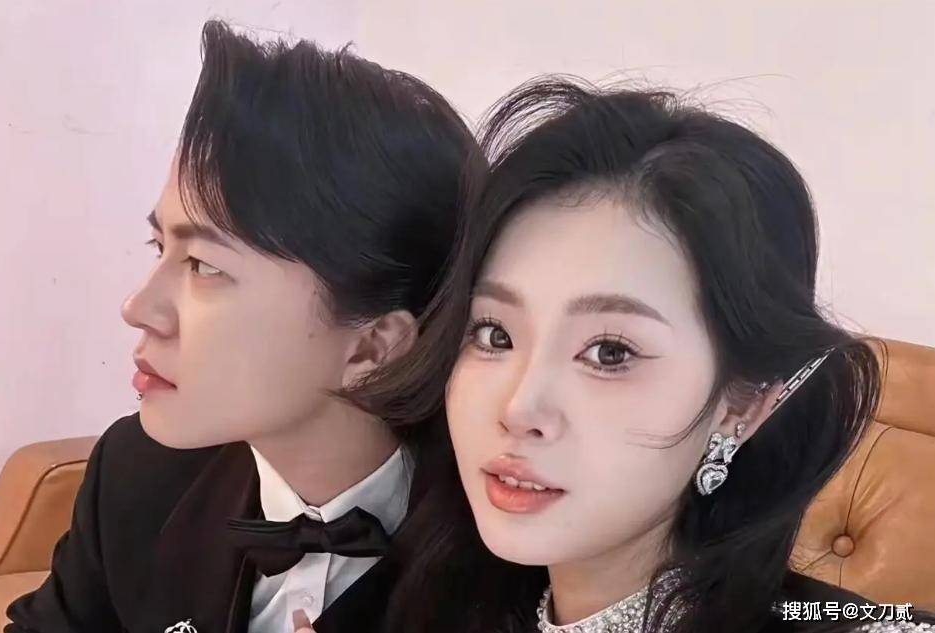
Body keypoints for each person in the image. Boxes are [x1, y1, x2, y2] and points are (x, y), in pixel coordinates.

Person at [345, 78, 935, 633]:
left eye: (609, 353)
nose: (518, 409)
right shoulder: (425, 596)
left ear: (744, 404)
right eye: (495, 335)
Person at [6, 20, 476, 633]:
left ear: (371, 346)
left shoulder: (498, 558)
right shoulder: (138, 474)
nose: (138, 307)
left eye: (204, 265)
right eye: (160, 247)